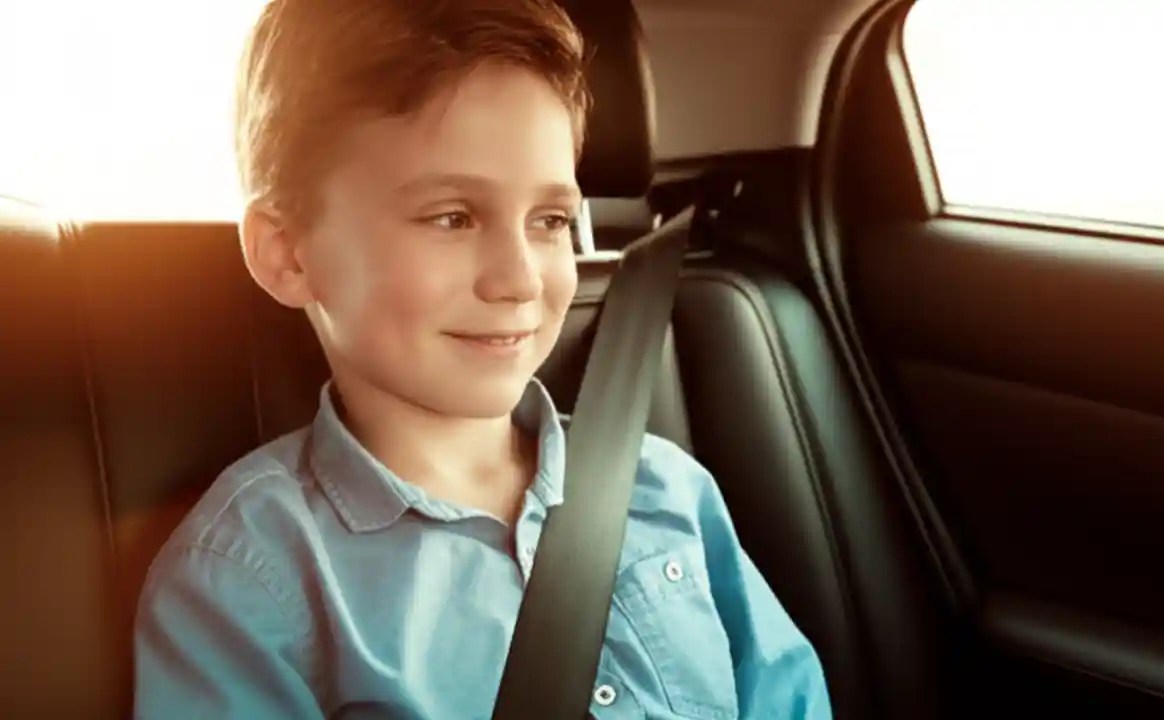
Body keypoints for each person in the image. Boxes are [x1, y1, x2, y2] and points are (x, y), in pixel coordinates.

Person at [131, 1, 832, 717]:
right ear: (287, 254)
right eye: (453, 217)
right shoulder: (250, 576)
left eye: (550, 220)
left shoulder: (666, 491)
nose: (520, 279)